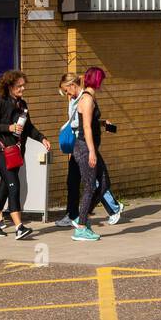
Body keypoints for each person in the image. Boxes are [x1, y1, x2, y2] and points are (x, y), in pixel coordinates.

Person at [0, 69, 51, 239]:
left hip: (15, 151)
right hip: (0, 150)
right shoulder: (0, 103)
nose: (22, 89)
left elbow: (28, 128)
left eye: (23, 86)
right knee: (14, 185)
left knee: (6, 187)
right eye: (19, 86)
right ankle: (19, 227)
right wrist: (9, 128)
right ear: (10, 87)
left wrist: (42, 139)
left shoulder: (22, 105)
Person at [55, 74, 124, 228]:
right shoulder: (77, 99)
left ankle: (103, 212)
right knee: (82, 181)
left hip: (83, 145)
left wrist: (92, 149)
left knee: (93, 182)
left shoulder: (84, 99)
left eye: (66, 90)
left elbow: (83, 125)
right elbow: (84, 122)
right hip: (80, 145)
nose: (67, 94)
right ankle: (78, 218)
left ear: (73, 85)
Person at [69, 66, 114, 242]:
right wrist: (92, 152)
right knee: (90, 186)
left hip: (89, 147)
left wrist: (103, 123)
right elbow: (85, 127)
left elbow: (90, 122)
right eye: (101, 79)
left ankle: (83, 218)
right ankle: (81, 227)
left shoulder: (89, 98)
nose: (102, 82)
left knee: (104, 183)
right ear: (97, 80)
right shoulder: (87, 99)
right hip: (85, 148)